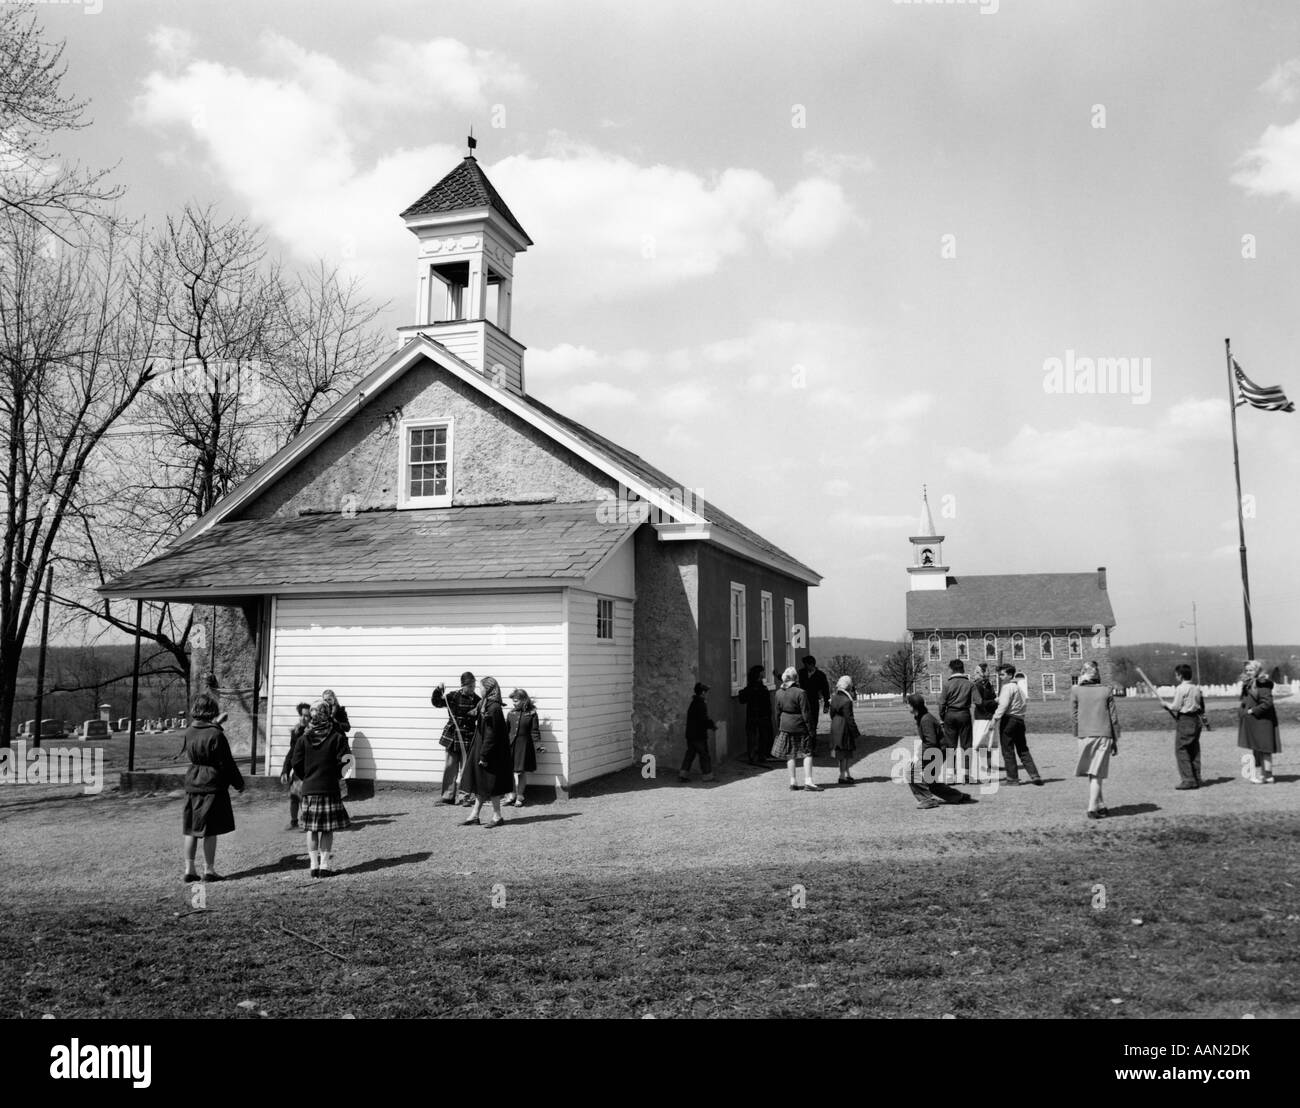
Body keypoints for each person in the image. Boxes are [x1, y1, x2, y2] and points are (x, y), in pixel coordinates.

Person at [181, 692, 245, 882]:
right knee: (210, 830)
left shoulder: (189, 731)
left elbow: (202, 734)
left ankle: (189, 869)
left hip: (193, 781)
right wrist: (238, 783)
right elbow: (227, 763)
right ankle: (209, 870)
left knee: (191, 829)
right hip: (212, 783)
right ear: (212, 711)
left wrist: (217, 723)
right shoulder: (217, 734)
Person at [291, 699, 352, 877]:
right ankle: (324, 866)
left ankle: (313, 865)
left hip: (309, 789)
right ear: (327, 714)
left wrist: (307, 777)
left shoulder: (303, 739)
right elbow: (347, 762)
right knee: (327, 829)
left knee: (311, 829)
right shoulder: (337, 737)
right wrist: (336, 776)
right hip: (329, 788)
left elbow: (296, 763)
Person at [460, 677, 513, 826]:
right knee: (481, 783)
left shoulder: (494, 708)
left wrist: (484, 755)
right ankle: (474, 815)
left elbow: (492, 734)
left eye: (481, 687)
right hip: (482, 747)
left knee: (491, 784)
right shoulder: (483, 704)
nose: (479, 690)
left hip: (491, 752)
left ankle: (497, 816)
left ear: (489, 689)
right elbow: (476, 717)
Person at [905, 694, 973, 808]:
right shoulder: (921, 717)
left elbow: (930, 742)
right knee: (930, 780)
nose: (906, 706)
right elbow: (928, 740)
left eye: (908, 704)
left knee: (911, 772)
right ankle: (958, 796)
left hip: (937, 751)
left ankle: (927, 800)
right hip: (939, 750)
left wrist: (918, 757)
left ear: (914, 706)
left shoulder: (925, 719)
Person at [1071, 660, 1120, 819]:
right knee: (1097, 772)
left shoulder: (1076, 691)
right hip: (1103, 734)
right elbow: (1113, 718)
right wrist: (1115, 738)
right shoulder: (1106, 690)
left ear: (1082, 675)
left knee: (1094, 772)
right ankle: (1092, 807)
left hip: (1084, 735)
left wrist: (1077, 734)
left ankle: (1101, 805)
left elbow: (1074, 716)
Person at [431, 672, 480, 805]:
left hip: (468, 737)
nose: (472, 689)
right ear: (463, 685)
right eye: (470, 686)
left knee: (465, 769)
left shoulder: (477, 700)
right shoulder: (453, 696)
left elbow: (480, 718)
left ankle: (465, 797)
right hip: (453, 737)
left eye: (474, 686)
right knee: (450, 767)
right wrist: (438, 691)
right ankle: (448, 796)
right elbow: (437, 703)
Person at [989, 663, 1042, 785]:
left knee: (1008, 750)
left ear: (1010, 675)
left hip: (1009, 720)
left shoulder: (1007, 688)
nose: (1000, 677)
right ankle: (1034, 775)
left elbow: (1003, 706)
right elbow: (1022, 704)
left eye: (1002, 674)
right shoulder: (1019, 689)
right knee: (1023, 749)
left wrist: (995, 719)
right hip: (1019, 720)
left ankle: (1012, 779)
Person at [773, 667, 819, 791]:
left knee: (790, 755)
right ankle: (808, 781)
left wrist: (779, 727)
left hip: (785, 726)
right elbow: (806, 713)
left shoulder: (778, 693)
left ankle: (793, 782)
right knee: (807, 753)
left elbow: (777, 713)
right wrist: (812, 730)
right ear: (795, 678)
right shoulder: (801, 693)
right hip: (800, 726)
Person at [1163, 663, 1206, 790]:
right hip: (1196, 719)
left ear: (1180, 675)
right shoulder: (1196, 688)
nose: (1176, 677)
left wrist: (1165, 704)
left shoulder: (1181, 688)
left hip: (1186, 719)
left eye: (1176, 675)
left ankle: (1188, 779)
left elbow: (1176, 706)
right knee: (1193, 748)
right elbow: (1201, 706)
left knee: (1181, 749)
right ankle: (1196, 777)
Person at [1238, 659, 1280, 784]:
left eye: (1251, 670)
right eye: (1246, 670)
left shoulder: (1262, 684)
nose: (1248, 672)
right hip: (1254, 720)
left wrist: (1252, 711)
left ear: (1257, 670)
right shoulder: (1249, 683)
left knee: (1264, 748)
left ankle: (1266, 774)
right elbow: (1245, 700)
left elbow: (1267, 703)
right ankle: (1265, 774)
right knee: (1258, 748)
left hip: (1262, 720)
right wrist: (1242, 711)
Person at [939, 659, 975, 783]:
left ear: (952, 669)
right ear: (962, 669)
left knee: (950, 746)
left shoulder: (947, 684)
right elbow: (978, 701)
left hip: (950, 714)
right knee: (967, 745)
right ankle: (967, 775)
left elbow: (942, 703)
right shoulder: (969, 684)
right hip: (964, 713)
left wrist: (942, 716)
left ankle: (950, 775)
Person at [279, 701, 311, 830]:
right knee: (294, 797)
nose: (303, 718)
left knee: (304, 798)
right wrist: (285, 770)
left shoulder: (313, 732)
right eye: (302, 715)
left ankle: (305, 822)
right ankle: (294, 822)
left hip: (308, 770)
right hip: (297, 771)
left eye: (307, 716)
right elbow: (291, 753)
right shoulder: (296, 732)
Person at [506, 688, 539, 806]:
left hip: (524, 746)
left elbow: (535, 731)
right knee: (508, 771)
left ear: (524, 700)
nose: (513, 703)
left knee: (520, 772)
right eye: (513, 701)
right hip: (510, 746)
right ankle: (512, 794)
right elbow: (506, 731)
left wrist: (539, 745)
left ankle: (520, 796)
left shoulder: (531, 714)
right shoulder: (510, 713)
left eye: (516, 701)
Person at [679, 682, 718, 782]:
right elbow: (703, 720)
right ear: (703, 693)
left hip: (690, 735)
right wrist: (712, 725)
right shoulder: (701, 704)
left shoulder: (694, 703)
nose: (707, 694)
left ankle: (683, 774)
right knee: (704, 755)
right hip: (699, 735)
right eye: (706, 692)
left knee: (690, 754)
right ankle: (708, 776)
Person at [737, 664, 775, 766]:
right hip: (760, 715)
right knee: (759, 736)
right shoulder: (759, 688)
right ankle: (759, 756)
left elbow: (742, 698)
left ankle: (753, 756)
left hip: (753, 715)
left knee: (754, 736)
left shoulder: (752, 687)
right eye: (762, 672)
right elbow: (766, 704)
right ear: (758, 674)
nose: (763, 674)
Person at [828, 675, 860, 784]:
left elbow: (831, 714)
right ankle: (842, 776)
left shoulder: (834, 697)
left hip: (835, 724)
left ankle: (846, 774)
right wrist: (855, 732)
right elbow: (850, 718)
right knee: (845, 753)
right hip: (844, 726)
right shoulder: (847, 700)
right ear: (848, 687)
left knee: (840, 752)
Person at [970, 663, 1000, 781]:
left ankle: (987, 766)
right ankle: (975, 768)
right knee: (977, 743)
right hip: (981, 718)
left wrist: (995, 702)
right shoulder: (976, 686)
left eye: (978, 672)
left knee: (989, 744)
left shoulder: (989, 685)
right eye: (976, 672)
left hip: (989, 717)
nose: (975, 674)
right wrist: (995, 701)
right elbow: (980, 703)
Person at [797, 656, 832, 742]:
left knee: (813, 723)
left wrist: (826, 705)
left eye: (806, 665)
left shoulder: (820, 675)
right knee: (802, 724)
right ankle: (804, 744)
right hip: (802, 702)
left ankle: (812, 746)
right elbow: (791, 680)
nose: (804, 666)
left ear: (811, 664)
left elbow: (825, 690)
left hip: (813, 702)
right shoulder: (801, 673)